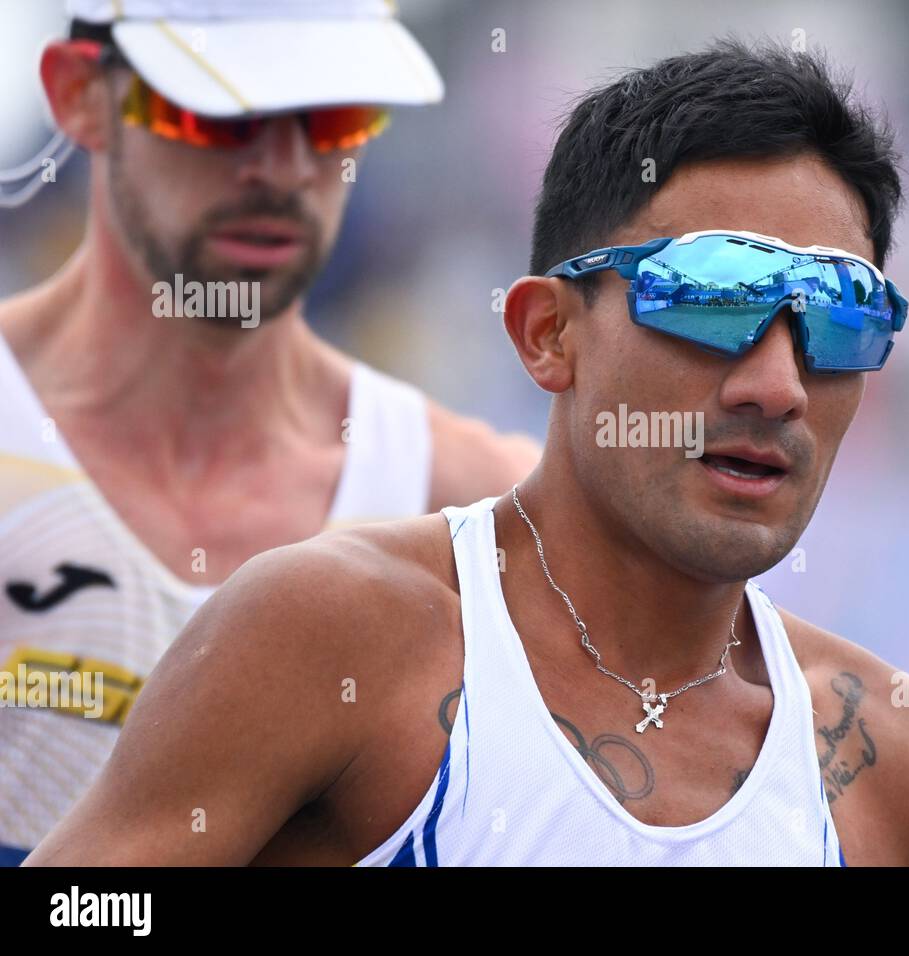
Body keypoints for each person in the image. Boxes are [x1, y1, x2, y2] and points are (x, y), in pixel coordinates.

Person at [26, 38, 909, 867]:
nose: (779, 383)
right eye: (713, 295)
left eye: (841, 320)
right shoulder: (333, 633)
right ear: (548, 332)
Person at [0, 0, 539, 865]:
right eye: (220, 113)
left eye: (332, 116)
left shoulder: (474, 498)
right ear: (78, 96)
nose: (284, 168)